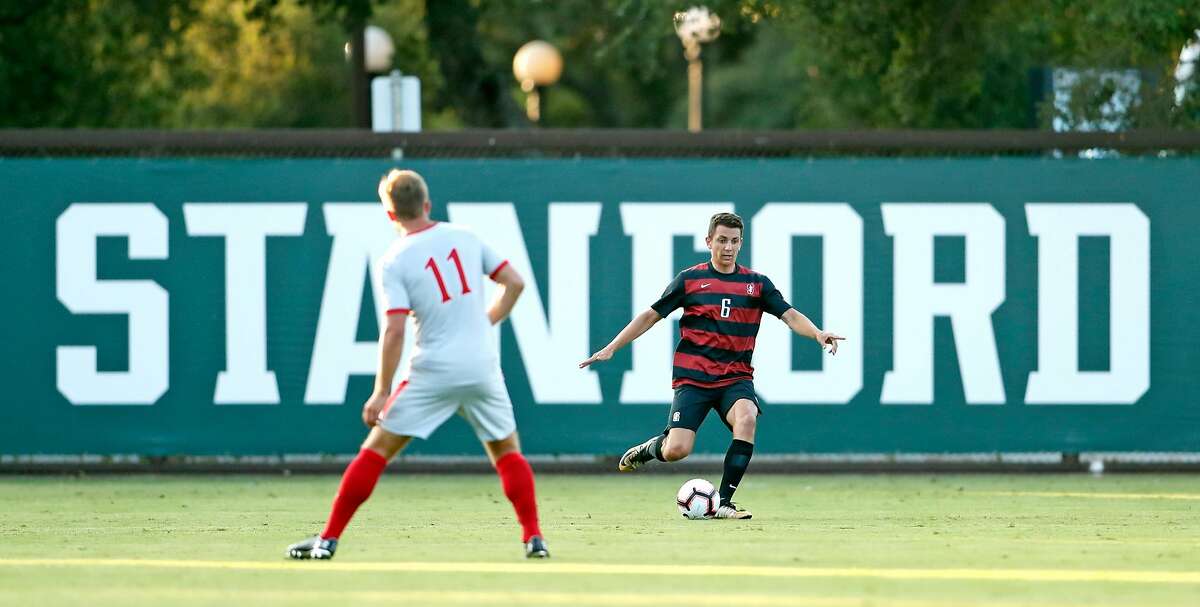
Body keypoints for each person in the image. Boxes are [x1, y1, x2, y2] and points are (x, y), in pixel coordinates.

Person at [287, 169, 548, 559]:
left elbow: (393, 331)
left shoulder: (394, 260)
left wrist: (381, 391)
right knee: (508, 452)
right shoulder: (465, 236)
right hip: (480, 366)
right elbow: (514, 282)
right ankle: (533, 538)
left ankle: (328, 539)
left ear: (390, 216)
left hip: (432, 369)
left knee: (374, 452)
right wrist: (487, 319)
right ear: (427, 204)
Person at [579, 212, 843, 520]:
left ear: (741, 243)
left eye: (734, 241)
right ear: (708, 242)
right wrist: (613, 347)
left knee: (747, 418)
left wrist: (817, 333)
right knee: (677, 450)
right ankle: (652, 448)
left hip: (735, 377)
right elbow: (650, 315)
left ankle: (725, 502)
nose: (728, 247)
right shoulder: (690, 280)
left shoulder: (756, 285)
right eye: (721, 240)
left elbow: (790, 315)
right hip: (694, 378)